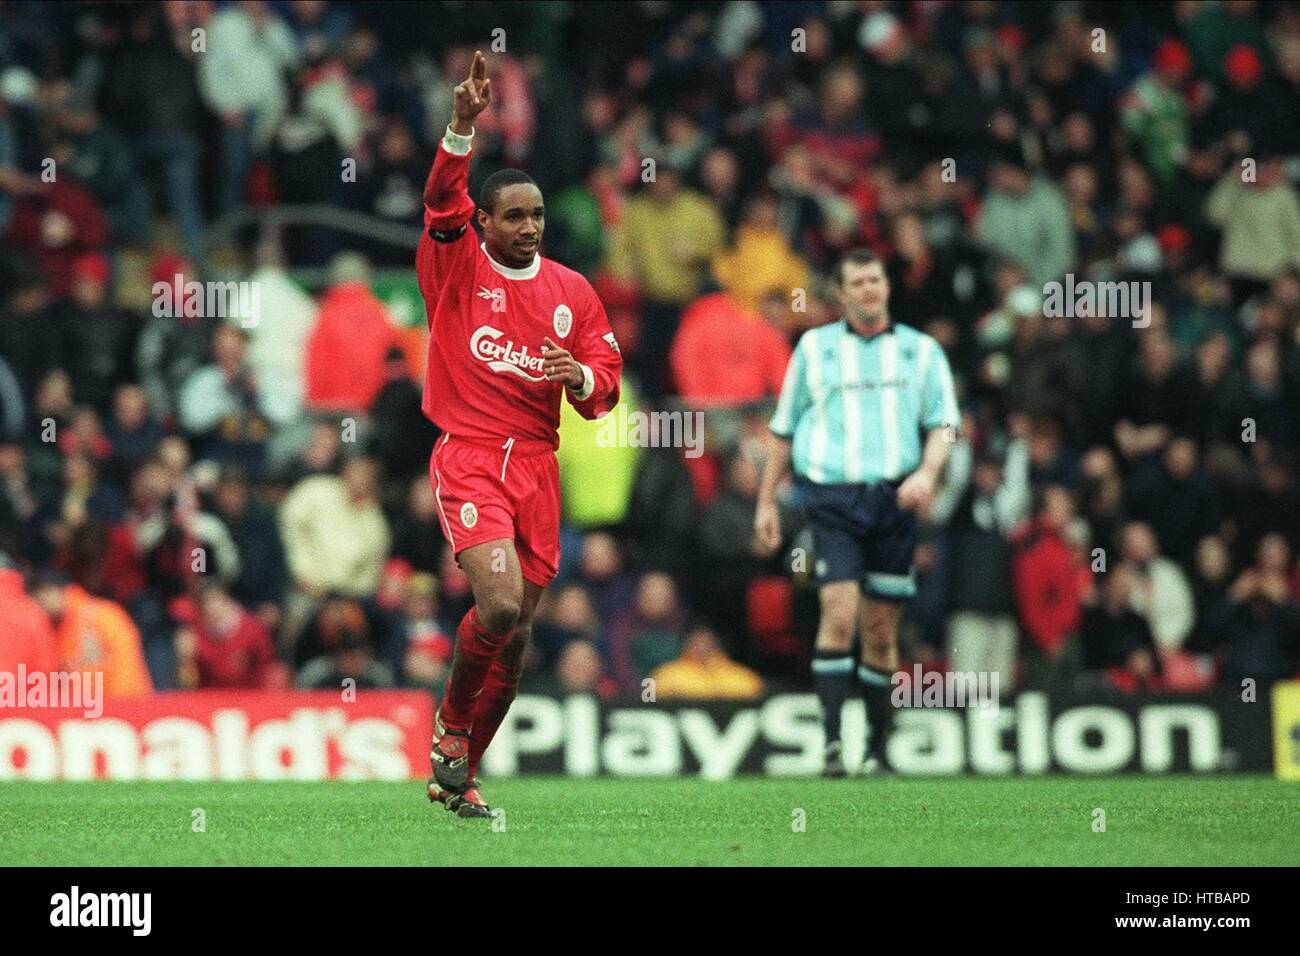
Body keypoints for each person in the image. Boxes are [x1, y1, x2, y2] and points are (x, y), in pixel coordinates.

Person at [417, 52, 622, 818]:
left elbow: (607, 376)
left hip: (538, 465)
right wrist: (463, 125)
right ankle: (449, 724)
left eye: (537, 215)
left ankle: (460, 774)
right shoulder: (456, 267)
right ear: (486, 223)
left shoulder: (573, 292)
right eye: (515, 216)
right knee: (497, 605)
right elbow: (442, 197)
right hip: (470, 455)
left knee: (520, 633)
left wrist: (582, 381)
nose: (530, 226)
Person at [754, 248, 959, 777]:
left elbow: (945, 425)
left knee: (882, 632)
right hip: (832, 500)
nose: (869, 289)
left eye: (876, 279)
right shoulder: (814, 349)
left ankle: (877, 745)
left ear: (886, 287)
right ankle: (829, 743)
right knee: (839, 615)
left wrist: (928, 474)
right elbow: (782, 431)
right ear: (841, 295)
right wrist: (766, 505)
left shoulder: (921, 351)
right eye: (858, 282)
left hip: (894, 500)